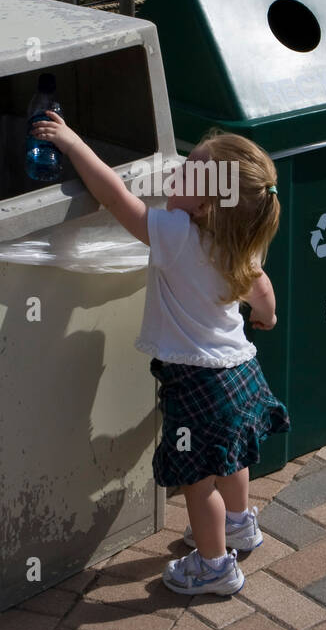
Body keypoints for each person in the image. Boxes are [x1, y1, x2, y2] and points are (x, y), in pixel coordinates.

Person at [33, 110, 290, 596]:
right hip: (241, 374)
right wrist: (267, 318)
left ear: (207, 205)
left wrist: (71, 142)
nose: (177, 172)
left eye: (189, 171)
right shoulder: (240, 243)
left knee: (197, 483)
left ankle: (215, 568)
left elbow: (113, 196)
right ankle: (240, 525)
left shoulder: (175, 234)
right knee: (230, 459)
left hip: (197, 385)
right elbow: (263, 291)